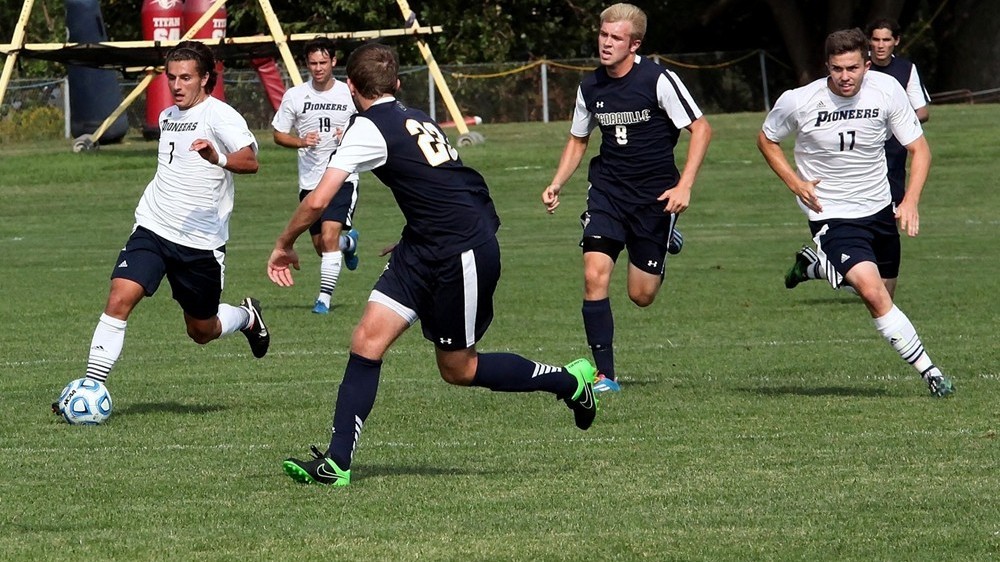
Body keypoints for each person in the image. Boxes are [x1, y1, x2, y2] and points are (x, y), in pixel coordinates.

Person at [268, 43, 598, 487]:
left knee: (457, 369)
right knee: (366, 340)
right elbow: (442, 185)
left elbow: (319, 200)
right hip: (423, 247)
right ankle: (337, 464)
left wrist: (283, 243)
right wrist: (415, 233)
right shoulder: (416, 115)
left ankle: (568, 382)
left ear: (350, 88)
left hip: (459, 252)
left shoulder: (368, 128)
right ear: (398, 84)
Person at [52, 41, 269, 413]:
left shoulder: (220, 116)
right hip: (153, 227)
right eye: (172, 78)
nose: (177, 85)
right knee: (120, 296)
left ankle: (247, 317)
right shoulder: (168, 116)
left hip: (201, 242)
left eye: (186, 77)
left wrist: (215, 156)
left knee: (202, 331)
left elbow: (250, 161)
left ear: (205, 79)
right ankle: (90, 386)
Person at [757, 28, 953, 397]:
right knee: (873, 293)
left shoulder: (887, 90)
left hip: (880, 208)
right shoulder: (799, 100)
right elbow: (766, 138)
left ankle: (815, 266)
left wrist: (909, 200)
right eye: (836, 69)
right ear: (826, 66)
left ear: (867, 64)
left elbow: (920, 150)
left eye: (852, 68)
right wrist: (794, 183)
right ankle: (932, 373)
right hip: (831, 213)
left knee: (882, 294)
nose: (845, 77)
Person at [540, 3, 712, 393]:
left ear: (634, 44)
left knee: (641, 295)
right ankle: (605, 376)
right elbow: (578, 139)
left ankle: (666, 237)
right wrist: (557, 183)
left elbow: (701, 130)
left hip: (654, 198)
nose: (606, 43)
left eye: (616, 38)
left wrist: (684, 185)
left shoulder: (659, 80)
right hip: (607, 195)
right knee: (593, 274)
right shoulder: (590, 87)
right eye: (603, 35)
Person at [784, 18, 931, 289]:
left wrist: (891, 120)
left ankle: (813, 267)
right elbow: (767, 138)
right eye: (876, 39)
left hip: (890, 162)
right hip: (842, 180)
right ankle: (823, 266)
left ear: (895, 41)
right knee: (863, 277)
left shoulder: (904, 71)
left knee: (876, 271)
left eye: (886, 39)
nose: (881, 45)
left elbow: (921, 113)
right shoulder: (815, 95)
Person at [272, 38, 360, 315]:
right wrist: (300, 142)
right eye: (313, 63)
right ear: (306, 64)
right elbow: (278, 134)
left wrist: (348, 134)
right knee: (323, 247)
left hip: (343, 176)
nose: (318, 68)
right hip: (310, 181)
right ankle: (350, 243)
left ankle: (323, 299)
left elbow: (372, 122)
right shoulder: (295, 96)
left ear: (333, 61)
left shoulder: (351, 92)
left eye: (323, 62)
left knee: (330, 235)